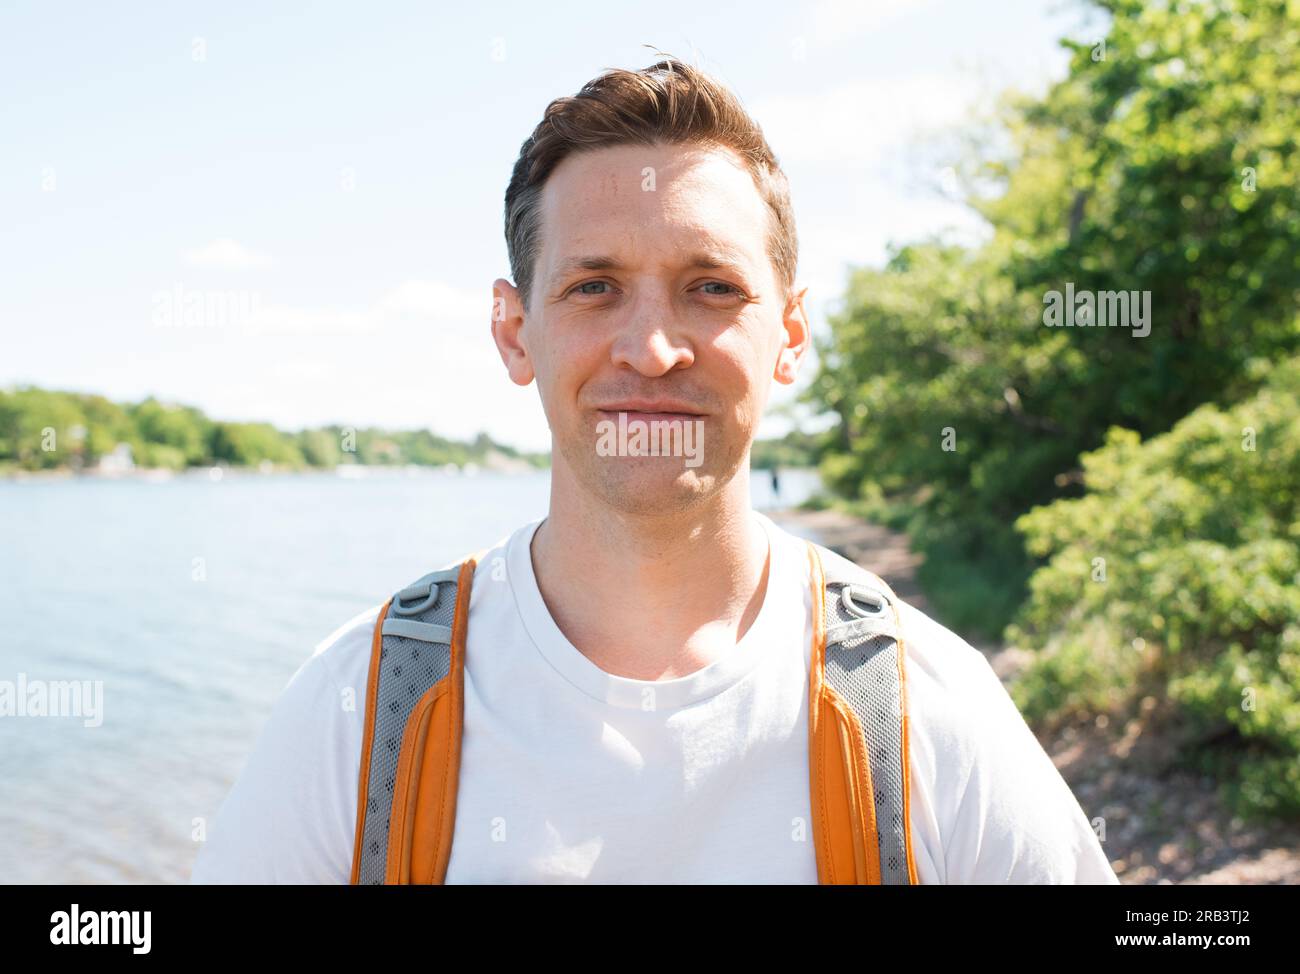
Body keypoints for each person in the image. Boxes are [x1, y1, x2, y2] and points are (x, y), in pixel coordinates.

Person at [189, 57, 1118, 885]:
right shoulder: (368, 708)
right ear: (517, 334)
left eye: (710, 287)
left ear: (789, 336)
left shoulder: (923, 708)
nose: (653, 347)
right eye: (594, 287)